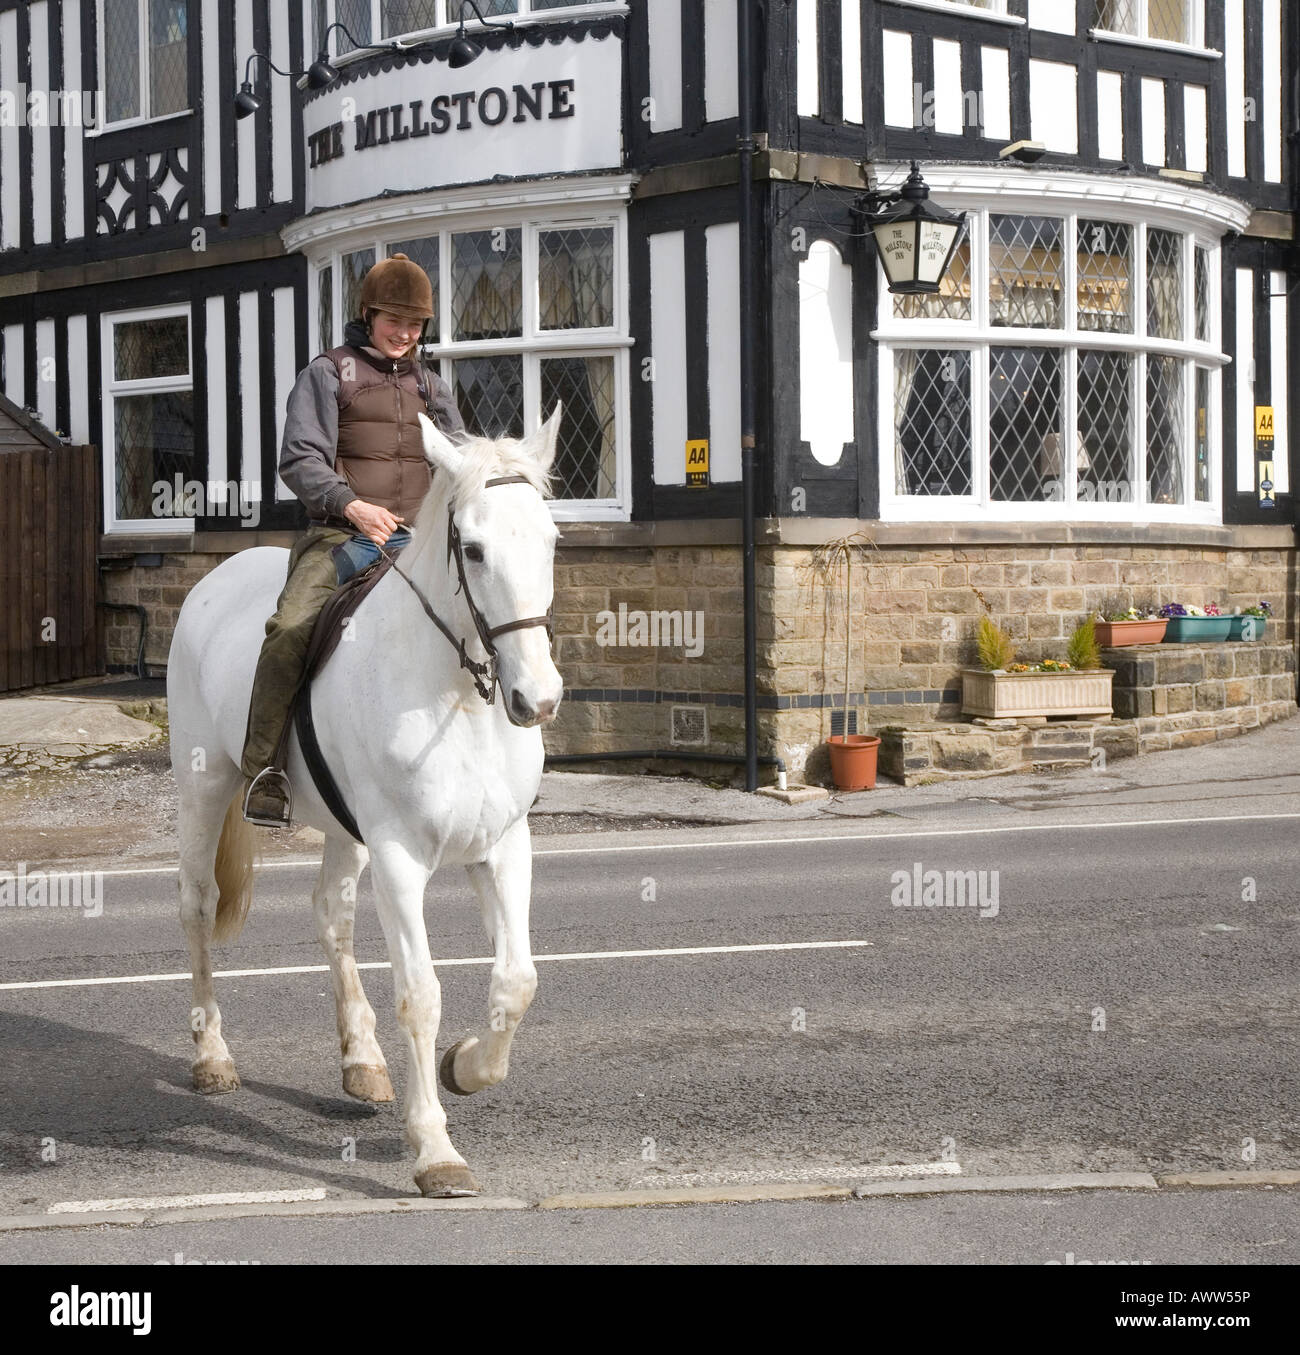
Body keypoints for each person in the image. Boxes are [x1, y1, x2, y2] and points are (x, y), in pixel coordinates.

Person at [240, 253, 465, 827]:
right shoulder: (326, 373)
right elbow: (299, 458)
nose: (406, 334)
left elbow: (458, 458)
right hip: (342, 538)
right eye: (395, 320)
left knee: (493, 610)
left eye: (416, 325)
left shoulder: (430, 386)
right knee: (290, 627)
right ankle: (264, 771)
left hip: (415, 542)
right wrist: (352, 505)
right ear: (368, 314)